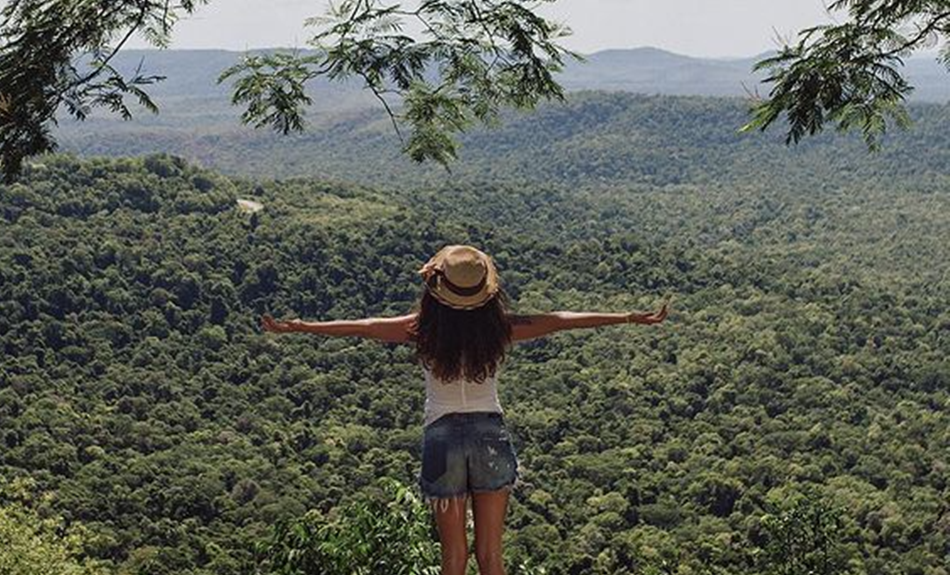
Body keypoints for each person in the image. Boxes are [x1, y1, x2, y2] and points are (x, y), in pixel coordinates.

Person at [261, 244, 669, 575]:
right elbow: (561, 319)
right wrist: (629, 317)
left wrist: (301, 328)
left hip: (441, 442)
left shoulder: (419, 328)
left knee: (453, 560)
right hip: (490, 437)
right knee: (491, 557)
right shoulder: (501, 327)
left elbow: (364, 325)